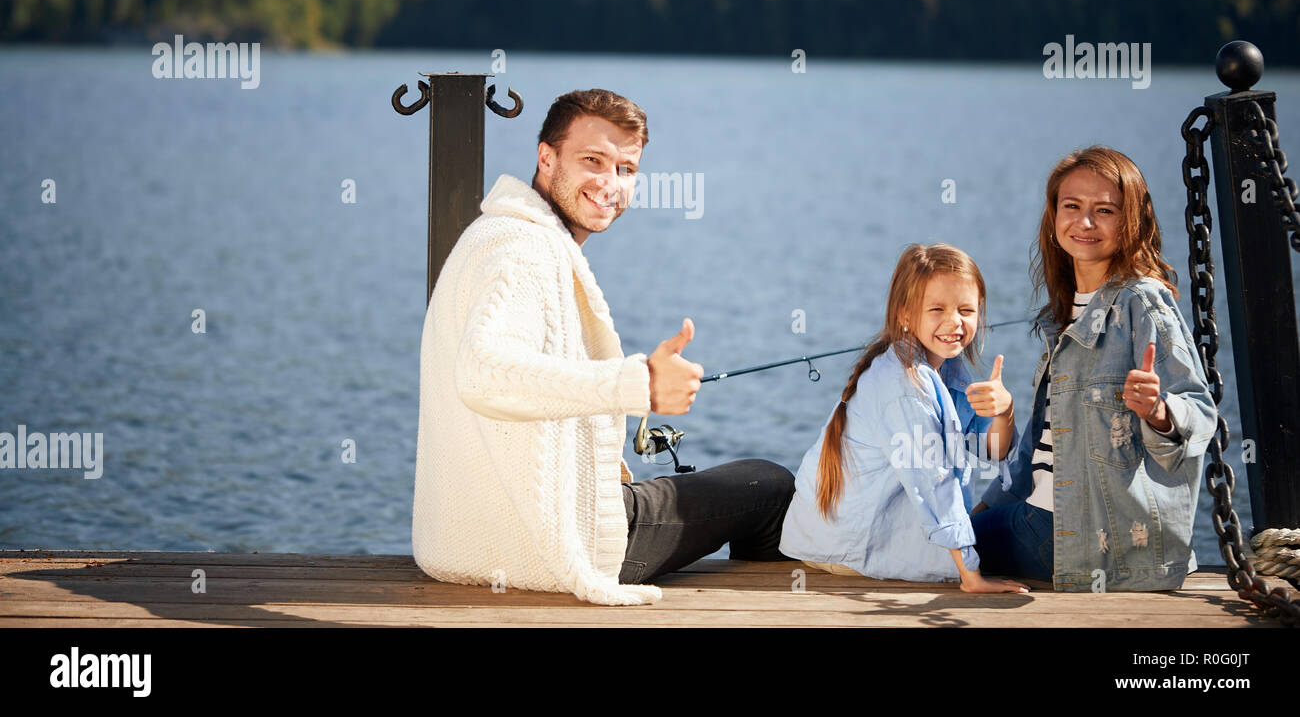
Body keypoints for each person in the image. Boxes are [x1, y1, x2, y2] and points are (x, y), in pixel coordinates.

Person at [411, 88, 794, 606]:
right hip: (541, 547)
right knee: (768, 485)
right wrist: (637, 384)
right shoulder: (522, 251)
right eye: (592, 161)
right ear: (546, 157)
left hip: (462, 542)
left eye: (626, 169)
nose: (609, 184)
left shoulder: (502, 232)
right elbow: (483, 373)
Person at [971, 146, 1217, 591]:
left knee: (919, 541)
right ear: (1053, 215)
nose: (1084, 223)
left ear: (1132, 222)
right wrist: (982, 511)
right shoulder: (1064, 314)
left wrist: (1159, 412)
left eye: (1104, 210)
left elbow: (1200, 415)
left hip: (1080, 544)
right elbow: (1042, 445)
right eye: (1072, 206)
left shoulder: (1141, 301)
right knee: (951, 532)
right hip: (1047, 525)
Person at [779, 243, 1028, 592]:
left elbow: (993, 451)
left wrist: (1005, 410)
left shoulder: (949, 368)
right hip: (843, 546)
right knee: (1019, 532)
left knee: (1011, 518)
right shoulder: (903, 383)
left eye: (966, 310)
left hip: (847, 535)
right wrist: (971, 575)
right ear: (905, 315)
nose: (954, 322)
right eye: (937, 309)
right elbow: (934, 479)